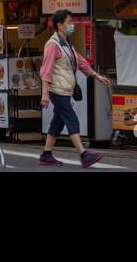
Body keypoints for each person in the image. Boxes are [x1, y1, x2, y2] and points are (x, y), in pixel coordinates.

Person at [38, 9, 109, 168]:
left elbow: (81, 62)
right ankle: (84, 155)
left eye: (72, 23)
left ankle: (46, 154)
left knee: (58, 122)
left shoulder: (67, 44)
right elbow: (46, 71)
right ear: (60, 25)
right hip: (57, 90)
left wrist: (97, 76)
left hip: (64, 90)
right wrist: (45, 94)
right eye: (69, 23)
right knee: (71, 119)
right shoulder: (52, 45)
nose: (72, 26)